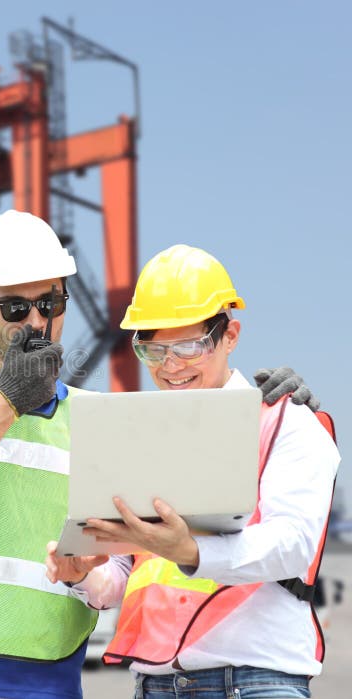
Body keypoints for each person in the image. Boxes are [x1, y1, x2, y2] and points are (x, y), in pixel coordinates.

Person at [0, 216, 318, 699]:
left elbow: (121, 560)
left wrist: (269, 416)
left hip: (49, 680)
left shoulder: (100, 417)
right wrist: (7, 401)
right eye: (16, 307)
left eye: (50, 302)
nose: (37, 321)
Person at [46, 244, 340, 699]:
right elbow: (124, 576)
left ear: (231, 335)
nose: (170, 366)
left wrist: (192, 550)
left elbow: (293, 546)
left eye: (189, 346)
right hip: (157, 685)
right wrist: (82, 573)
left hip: (254, 680)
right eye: (154, 350)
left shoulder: (285, 419)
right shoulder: (135, 437)